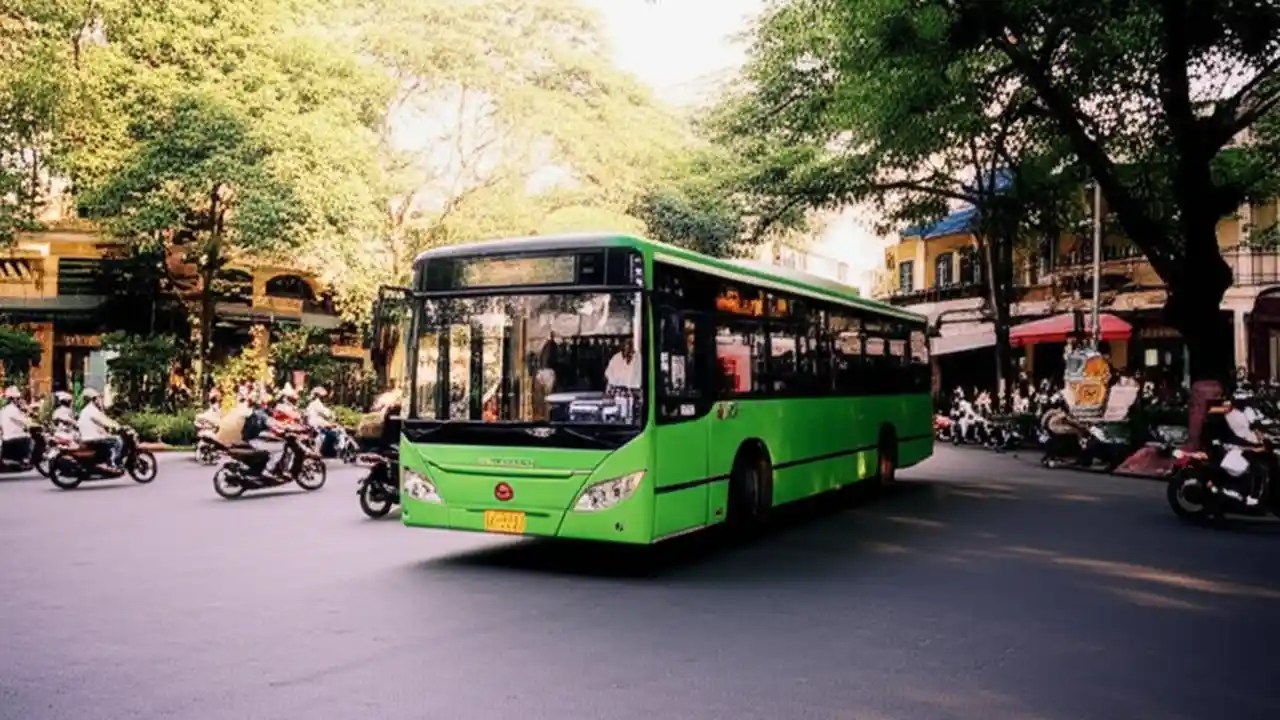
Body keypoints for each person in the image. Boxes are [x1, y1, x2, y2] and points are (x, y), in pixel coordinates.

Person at [78, 388, 122, 469]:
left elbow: (99, 424)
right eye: (98, 398)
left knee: (109, 439)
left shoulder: (85, 410)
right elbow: (104, 421)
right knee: (118, 440)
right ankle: (113, 462)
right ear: (93, 399)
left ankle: (105, 459)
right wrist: (117, 425)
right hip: (92, 437)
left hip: (87, 437)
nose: (99, 400)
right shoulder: (92, 410)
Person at [0, 386, 34, 464]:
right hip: (14, 436)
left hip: (7, 436)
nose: (19, 400)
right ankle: (25, 458)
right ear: (13, 399)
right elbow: (25, 421)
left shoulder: (4, 410)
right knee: (28, 436)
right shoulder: (12, 410)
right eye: (18, 398)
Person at [306, 386, 337, 456]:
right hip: (316, 423)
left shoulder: (312, 403)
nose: (325, 398)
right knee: (329, 432)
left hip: (312, 422)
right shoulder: (317, 403)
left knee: (329, 430)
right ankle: (319, 450)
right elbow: (326, 413)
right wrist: (332, 415)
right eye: (324, 397)